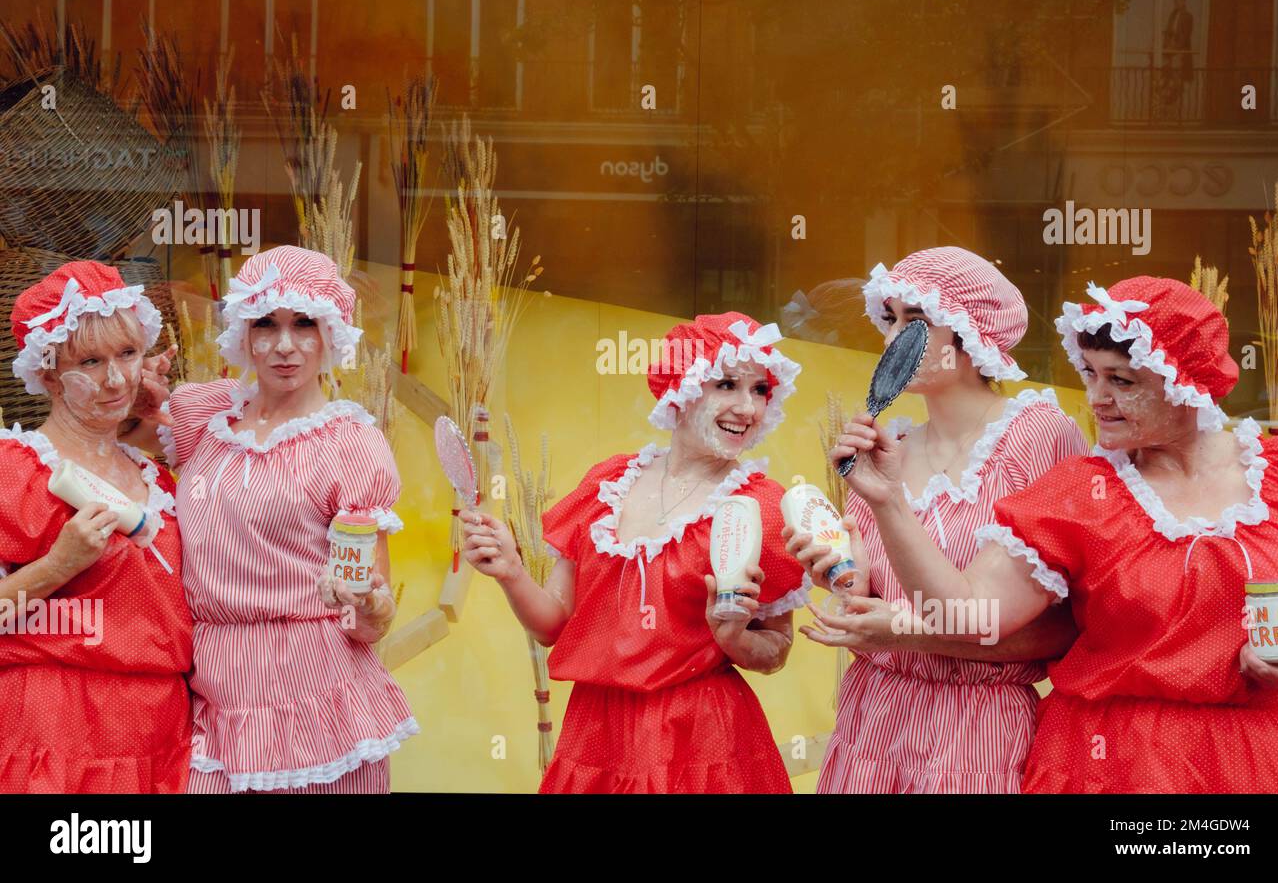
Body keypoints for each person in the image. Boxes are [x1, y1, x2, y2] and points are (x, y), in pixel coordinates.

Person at [832, 276, 1278, 792]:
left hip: (1255, 761)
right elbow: (969, 613)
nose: (1097, 398)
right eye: (1091, 375)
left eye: (1121, 381)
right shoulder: (1081, 490)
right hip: (1110, 765)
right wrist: (889, 501)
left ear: (1185, 382)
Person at [463, 313, 809, 792]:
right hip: (596, 734)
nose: (747, 407)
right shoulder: (606, 486)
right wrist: (511, 572)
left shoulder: (761, 509)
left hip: (702, 737)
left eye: (760, 390)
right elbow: (554, 627)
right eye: (727, 384)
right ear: (681, 387)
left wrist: (732, 638)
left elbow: (775, 651)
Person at [787, 247, 1088, 793]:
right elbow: (867, 610)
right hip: (871, 721)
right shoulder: (890, 443)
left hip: (976, 731)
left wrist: (905, 633)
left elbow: (1063, 629)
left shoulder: (1039, 435)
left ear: (970, 333)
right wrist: (841, 578)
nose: (892, 339)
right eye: (892, 319)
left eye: (916, 321)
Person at [138, 245, 416, 793]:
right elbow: (106, 447)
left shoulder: (351, 444)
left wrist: (370, 603)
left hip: (315, 693)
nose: (285, 345)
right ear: (243, 333)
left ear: (331, 333)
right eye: (266, 324)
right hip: (213, 688)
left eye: (304, 324)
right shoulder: (204, 418)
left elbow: (366, 620)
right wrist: (132, 380)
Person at [0, 261, 191, 791]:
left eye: (128, 354)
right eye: (90, 360)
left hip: (160, 733)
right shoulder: (12, 470)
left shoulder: (158, 477)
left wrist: (166, 419)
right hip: (52, 732)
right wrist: (57, 565)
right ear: (47, 373)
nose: (117, 378)